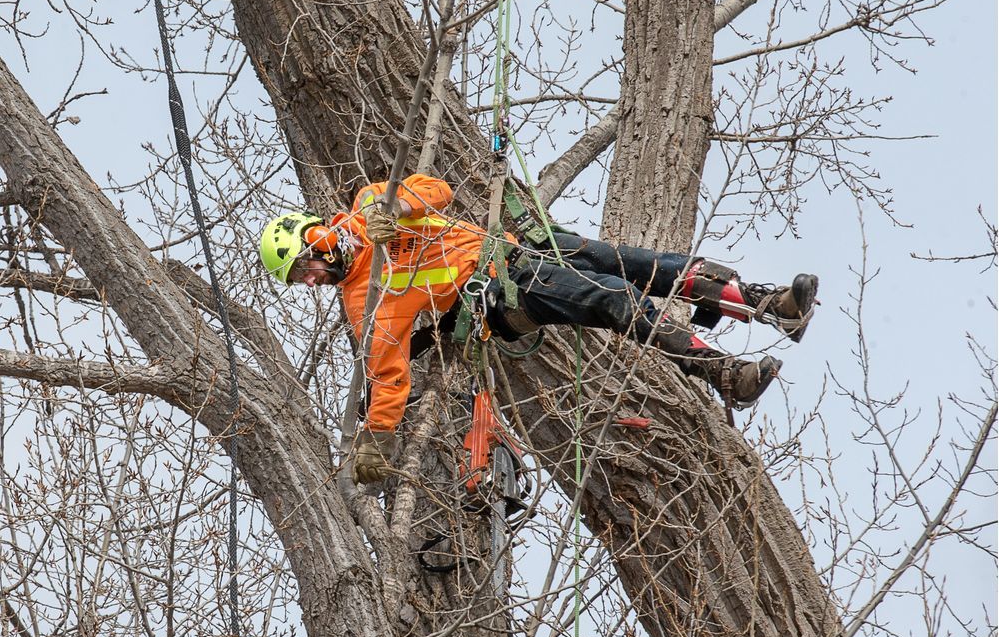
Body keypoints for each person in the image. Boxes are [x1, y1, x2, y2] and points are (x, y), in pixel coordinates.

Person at [259, 174, 818, 483]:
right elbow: (387, 378)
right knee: (613, 299)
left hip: (515, 251)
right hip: (498, 294)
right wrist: (377, 441)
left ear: (315, 238)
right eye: (300, 280)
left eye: (304, 267)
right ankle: (722, 373)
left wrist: (395, 210)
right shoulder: (366, 303)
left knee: (640, 264)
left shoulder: (366, 208)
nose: (311, 280)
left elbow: (436, 189)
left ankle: (769, 305)